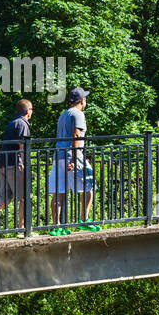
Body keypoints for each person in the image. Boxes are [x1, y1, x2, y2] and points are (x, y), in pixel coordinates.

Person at [0, 99, 33, 231]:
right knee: (25, 198)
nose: (32, 112)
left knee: (5, 198)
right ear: (27, 111)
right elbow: (22, 146)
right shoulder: (23, 124)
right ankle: (23, 230)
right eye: (32, 109)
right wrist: (25, 165)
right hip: (14, 164)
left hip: (2, 163)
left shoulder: (12, 123)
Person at [49, 86, 95, 226]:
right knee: (89, 186)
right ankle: (84, 220)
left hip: (59, 156)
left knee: (59, 191)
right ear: (82, 100)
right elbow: (76, 135)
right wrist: (75, 159)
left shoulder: (63, 115)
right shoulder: (78, 114)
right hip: (72, 154)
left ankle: (56, 225)